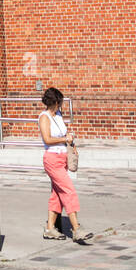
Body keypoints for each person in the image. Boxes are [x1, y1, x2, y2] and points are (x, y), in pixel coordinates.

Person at [38, 87, 92, 243]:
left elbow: (64, 135)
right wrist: (64, 139)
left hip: (62, 158)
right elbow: (47, 139)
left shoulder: (59, 115)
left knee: (57, 195)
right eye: (59, 102)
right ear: (54, 102)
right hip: (52, 159)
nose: (61, 105)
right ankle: (76, 229)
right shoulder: (44, 117)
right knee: (68, 190)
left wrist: (71, 144)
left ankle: (49, 228)